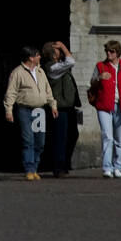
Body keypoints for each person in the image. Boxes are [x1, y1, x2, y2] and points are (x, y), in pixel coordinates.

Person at [3, 45, 58, 180]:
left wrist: (53, 105)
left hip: (39, 110)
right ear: (30, 58)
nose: (40, 57)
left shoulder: (40, 72)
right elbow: (11, 92)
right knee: (28, 140)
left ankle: (35, 167)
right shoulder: (18, 73)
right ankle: (29, 169)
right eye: (37, 55)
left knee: (40, 141)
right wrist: (8, 110)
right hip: (25, 109)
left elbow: (47, 90)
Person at [90, 39, 121, 179]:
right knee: (107, 136)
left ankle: (118, 167)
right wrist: (99, 77)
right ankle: (107, 168)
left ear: (117, 53)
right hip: (104, 105)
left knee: (119, 139)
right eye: (107, 51)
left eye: (111, 51)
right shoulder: (100, 66)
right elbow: (92, 82)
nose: (108, 53)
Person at [42, 40, 80, 178]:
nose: (62, 52)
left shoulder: (60, 67)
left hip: (68, 106)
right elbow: (71, 62)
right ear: (53, 55)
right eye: (58, 50)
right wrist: (63, 46)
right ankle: (58, 167)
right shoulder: (51, 68)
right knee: (60, 137)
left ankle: (64, 163)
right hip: (59, 107)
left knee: (72, 134)